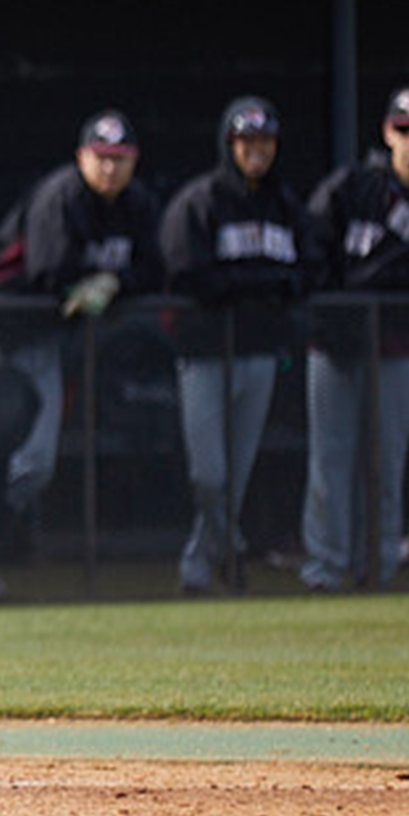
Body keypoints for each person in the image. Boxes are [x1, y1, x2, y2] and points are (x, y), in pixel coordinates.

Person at [0, 108, 164, 596]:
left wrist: (114, 282)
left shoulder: (139, 206)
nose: (110, 168)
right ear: (82, 157)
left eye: (120, 158)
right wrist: (98, 283)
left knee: (35, 463)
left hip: (39, 338)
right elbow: (48, 271)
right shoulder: (60, 196)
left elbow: (155, 267)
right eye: (101, 157)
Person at [298, 83, 409, 591]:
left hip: (398, 347)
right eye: (403, 130)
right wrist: (335, 316)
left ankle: (379, 570)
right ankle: (324, 571)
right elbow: (311, 253)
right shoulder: (352, 186)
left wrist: (381, 285)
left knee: (385, 467)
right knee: (330, 464)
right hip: (335, 346)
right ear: (388, 132)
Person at [158, 97, 309, 596]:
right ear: (229, 144)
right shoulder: (198, 202)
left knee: (235, 476)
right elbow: (191, 276)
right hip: (203, 354)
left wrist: (252, 282)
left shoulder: (284, 203)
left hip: (259, 352)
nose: (256, 151)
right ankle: (233, 549)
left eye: (264, 141)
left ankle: (197, 570)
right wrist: (262, 282)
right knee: (209, 475)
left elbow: (304, 272)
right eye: (247, 141)